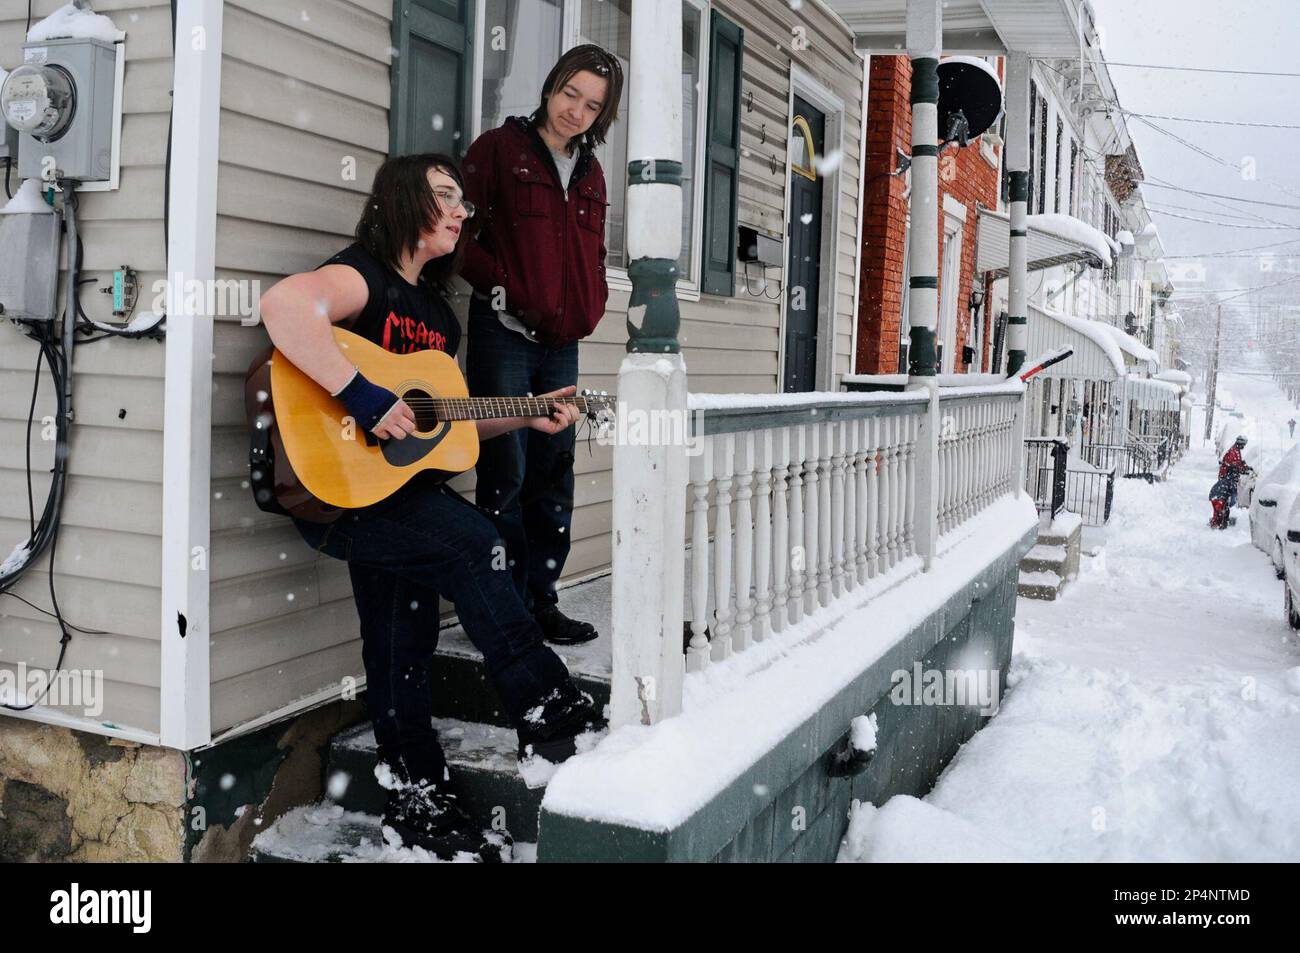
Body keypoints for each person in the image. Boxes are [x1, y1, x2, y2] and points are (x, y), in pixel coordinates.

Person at [257, 154, 603, 861]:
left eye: (463, 202)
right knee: (478, 543)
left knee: (398, 643)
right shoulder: (364, 275)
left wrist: (531, 414)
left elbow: (441, 424)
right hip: (340, 489)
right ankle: (546, 706)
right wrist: (363, 397)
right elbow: (285, 307)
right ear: (403, 199)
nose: (460, 210)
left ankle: (417, 794)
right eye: (445, 195)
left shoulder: (439, 319)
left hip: (397, 490)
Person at [459, 45, 624, 646]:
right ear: (551, 87)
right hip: (504, 338)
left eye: (592, 104)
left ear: (603, 115)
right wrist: (502, 286)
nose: (576, 110)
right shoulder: (499, 151)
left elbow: (594, 253)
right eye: (570, 93)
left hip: (561, 346)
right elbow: (459, 235)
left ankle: (541, 603)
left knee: (553, 475)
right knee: (505, 471)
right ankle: (499, 612)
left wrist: (591, 302)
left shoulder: (592, 172)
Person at [1219, 435, 1253, 508]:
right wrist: (1241, 470)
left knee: (1231, 495)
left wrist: (1246, 467)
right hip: (1227, 477)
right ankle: (1230, 511)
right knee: (1232, 495)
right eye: (1244, 444)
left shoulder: (1236, 450)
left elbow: (1238, 463)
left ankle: (1229, 510)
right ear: (1240, 443)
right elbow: (1233, 465)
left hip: (1230, 477)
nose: (1244, 446)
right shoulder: (1233, 451)